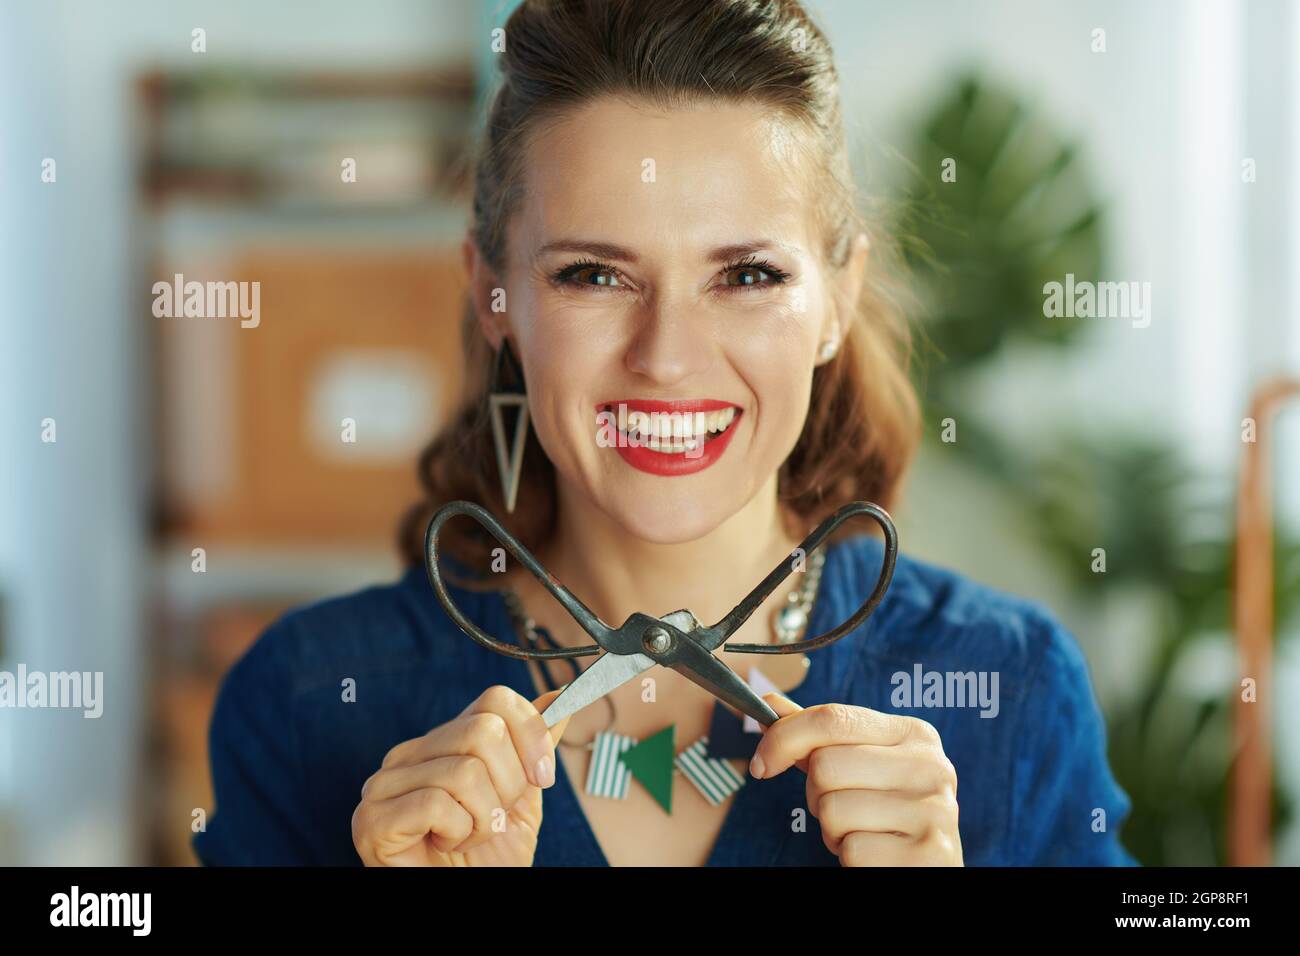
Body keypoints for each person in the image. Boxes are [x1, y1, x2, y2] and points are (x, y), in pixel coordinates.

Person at [194, 0, 1136, 867]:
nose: (667, 357)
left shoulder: (1012, 688)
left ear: (838, 300)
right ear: (495, 296)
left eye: (749, 275)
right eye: (594, 276)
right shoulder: (303, 704)